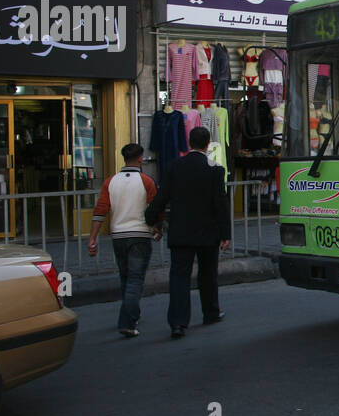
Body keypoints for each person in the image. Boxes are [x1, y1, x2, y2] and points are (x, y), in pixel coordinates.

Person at [145, 126, 231, 339]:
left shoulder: (175, 166)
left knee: (179, 277)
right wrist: (225, 233)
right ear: (207, 144)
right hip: (208, 233)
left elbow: (162, 195)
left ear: (190, 143)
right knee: (208, 274)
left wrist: (152, 218)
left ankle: (178, 323)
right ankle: (210, 312)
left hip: (181, 231)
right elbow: (221, 204)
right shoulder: (215, 169)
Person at [87, 143, 157, 337]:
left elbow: (100, 211)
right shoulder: (146, 181)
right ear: (140, 159)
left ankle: (131, 313)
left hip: (118, 235)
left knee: (125, 278)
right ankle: (127, 321)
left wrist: (92, 238)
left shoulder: (111, 182)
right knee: (135, 279)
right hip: (140, 235)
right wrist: (157, 229)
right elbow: (154, 209)